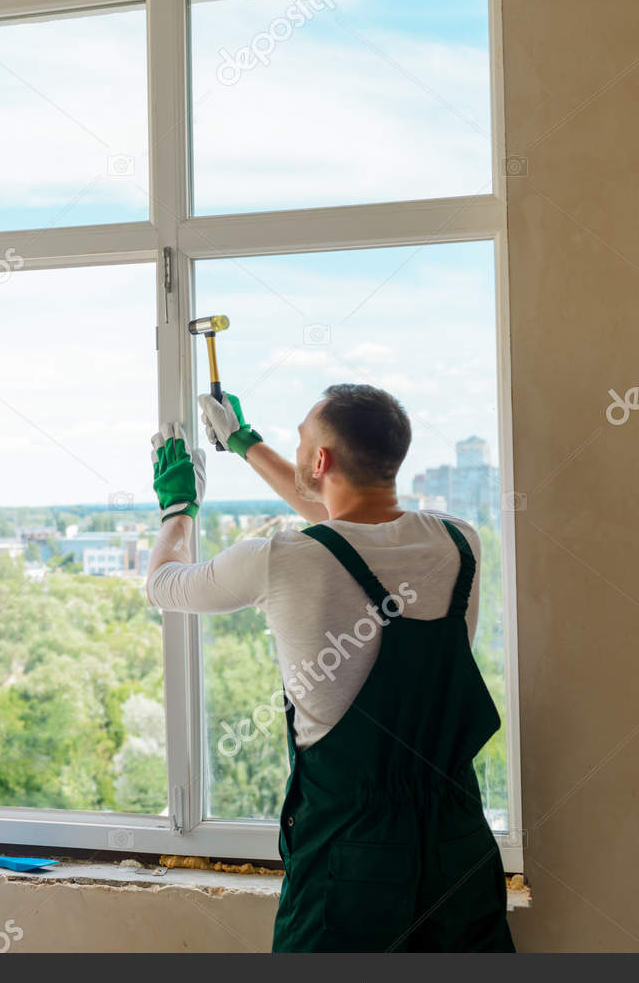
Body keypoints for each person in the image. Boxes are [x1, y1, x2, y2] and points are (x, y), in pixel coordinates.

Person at [143, 383, 513, 953]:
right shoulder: (458, 541)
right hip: (457, 845)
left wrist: (178, 508)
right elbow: (349, 524)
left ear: (320, 460)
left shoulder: (282, 558)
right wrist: (246, 444)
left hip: (349, 858)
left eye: (301, 443)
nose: (296, 453)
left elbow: (165, 585)